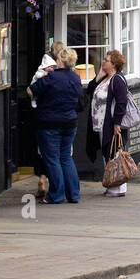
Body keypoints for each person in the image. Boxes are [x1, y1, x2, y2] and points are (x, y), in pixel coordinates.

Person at [27, 47, 83, 204]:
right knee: (66, 157)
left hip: (49, 123)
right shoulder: (75, 78)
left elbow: (31, 91)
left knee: (52, 159)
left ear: (59, 61)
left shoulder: (51, 77)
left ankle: (56, 196)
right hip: (70, 122)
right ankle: (73, 195)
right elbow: (79, 98)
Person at [86, 50, 131, 194]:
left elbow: (121, 102)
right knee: (107, 153)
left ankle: (117, 187)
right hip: (100, 124)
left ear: (113, 65)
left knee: (114, 153)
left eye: (106, 60)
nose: (103, 62)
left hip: (111, 124)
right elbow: (90, 91)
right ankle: (113, 185)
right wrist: (99, 75)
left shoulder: (117, 79)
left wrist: (117, 123)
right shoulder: (105, 78)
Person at [31, 40, 65, 199]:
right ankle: (57, 190)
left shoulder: (43, 69)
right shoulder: (57, 73)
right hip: (59, 117)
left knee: (45, 152)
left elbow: (32, 90)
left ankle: (43, 179)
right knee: (58, 156)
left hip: (42, 114)